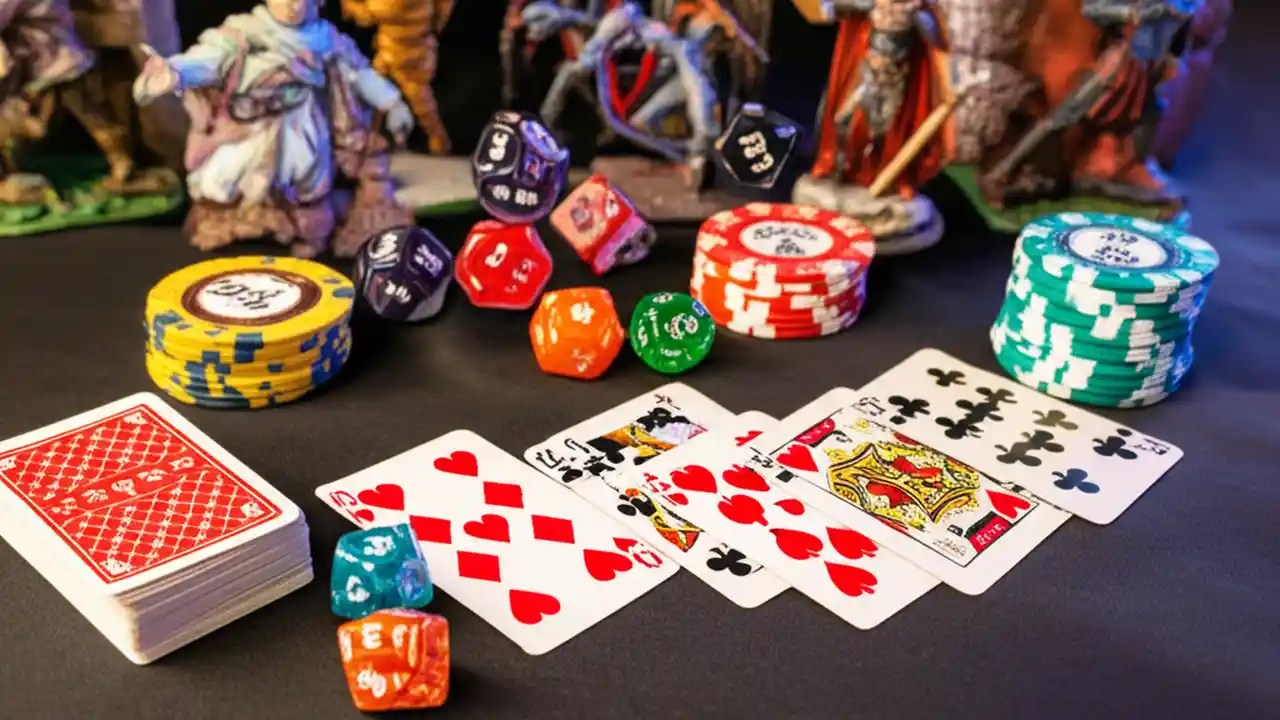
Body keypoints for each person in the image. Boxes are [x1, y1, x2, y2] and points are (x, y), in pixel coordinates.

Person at [133, 0, 415, 257]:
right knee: (224, 178)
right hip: (252, 126)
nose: (293, 6)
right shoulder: (243, 32)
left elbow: (359, 74)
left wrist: (392, 103)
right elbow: (209, 60)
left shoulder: (325, 39)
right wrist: (174, 72)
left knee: (307, 176)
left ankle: (309, 236)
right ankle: (239, 224)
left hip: (301, 122)